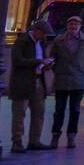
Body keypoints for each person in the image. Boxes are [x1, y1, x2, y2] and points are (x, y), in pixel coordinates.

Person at [9, 21, 56, 153]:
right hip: (23, 82)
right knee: (20, 113)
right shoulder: (22, 41)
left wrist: (47, 64)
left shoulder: (41, 43)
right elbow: (18, 61)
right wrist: (39, 62)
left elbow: (43, 59)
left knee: (39, 112)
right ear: (36, 30)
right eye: (43, 33)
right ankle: (17, 142)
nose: (44, 36)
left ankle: (35, 140)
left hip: (38, 81)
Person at [49, 16, 84, 148]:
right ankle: (55, 135)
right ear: (67, 27)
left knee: (75, 109)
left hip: (77, 79)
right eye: (70, 26)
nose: (73, 28)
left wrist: (82, 68)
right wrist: (58, 70)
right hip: (62, 78)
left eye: (75, 26)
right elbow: (53, 57)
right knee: (59, 109)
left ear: (79, 26)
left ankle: (71, 136)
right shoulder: (59, 40)